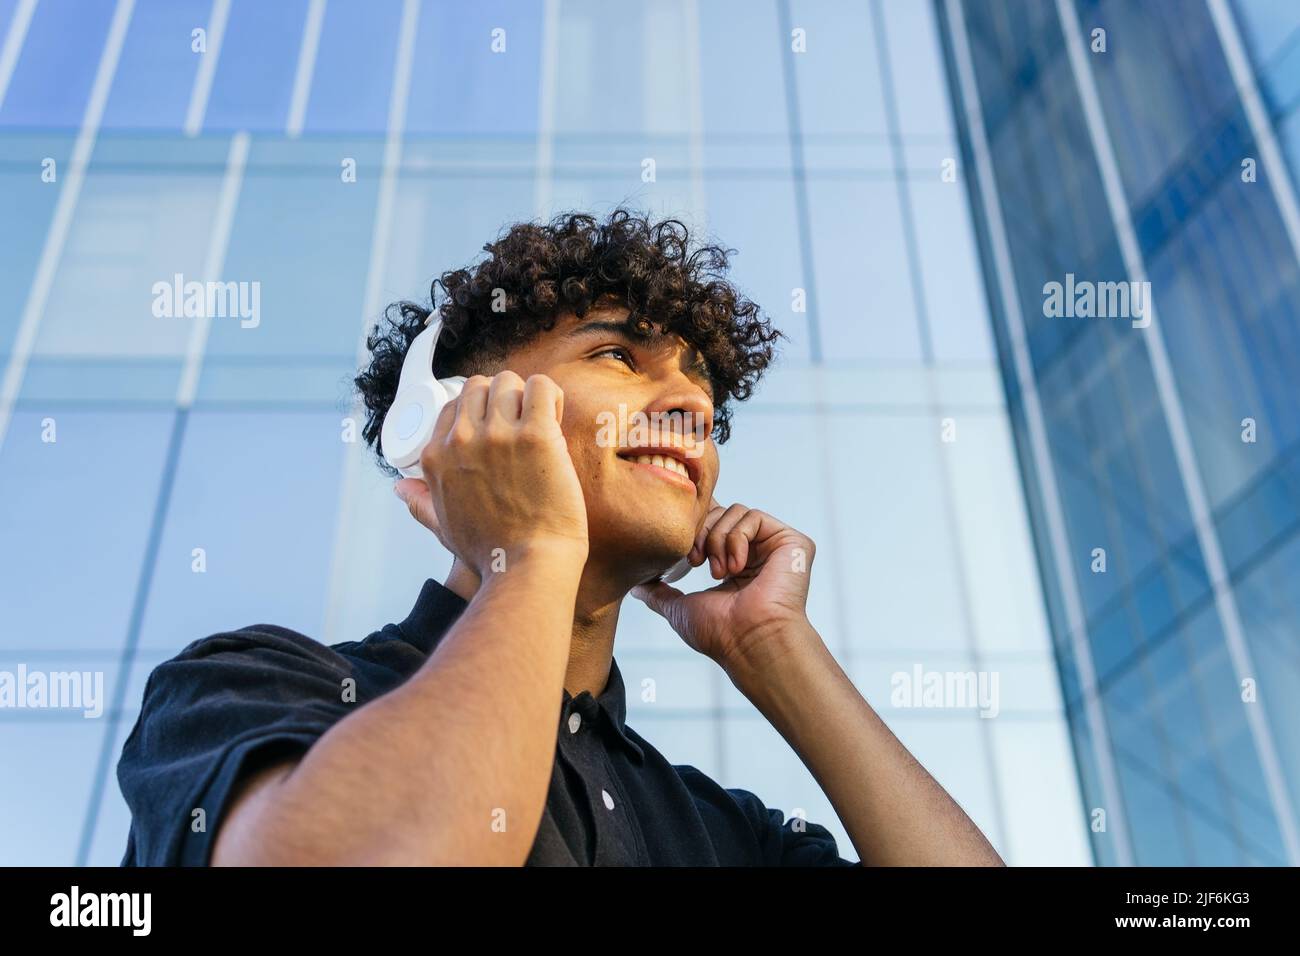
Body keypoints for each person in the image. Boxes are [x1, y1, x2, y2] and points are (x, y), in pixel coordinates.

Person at [117, 209, 1004, 866]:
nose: (695, 406)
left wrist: (776, 647)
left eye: (701, 388)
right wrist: (532, 555)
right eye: (618, 357)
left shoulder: (723, 833)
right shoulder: (247, 687)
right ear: (456, 418)